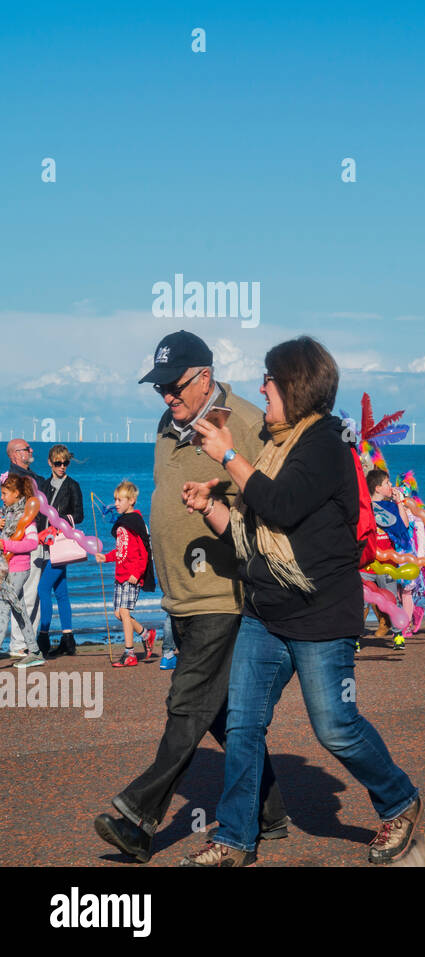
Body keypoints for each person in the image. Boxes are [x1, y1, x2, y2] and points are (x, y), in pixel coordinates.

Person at [179, 336, 420, 866]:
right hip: (266, 613)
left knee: (335, 726)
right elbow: (253, 529)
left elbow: (282, 506)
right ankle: (236, 837)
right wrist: (211, 509)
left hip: (320, 615)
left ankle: (398, 800)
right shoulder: (273, 446)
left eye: (269, 379)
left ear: (295, 385)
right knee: (243, 726)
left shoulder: (325, 447)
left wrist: (227, 454)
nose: (261, 387)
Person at [93, 329, 287, 865]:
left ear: (205, 377)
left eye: (174, 386)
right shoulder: (168, 421)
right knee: (219, 713)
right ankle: (269, 812)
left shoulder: (244, 423)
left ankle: (138, 817)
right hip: (182, 596)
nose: (166, 397)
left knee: (186, 706)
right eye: (158, 388)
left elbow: (272, 501)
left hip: (224, 596)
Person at [95, 481, 158, 667]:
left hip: (132, 576)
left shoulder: (135, 522)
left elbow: (144, 553)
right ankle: (146, 634)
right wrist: (105, 558)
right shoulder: (122, 523)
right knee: (118, 614)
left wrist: (137, 573)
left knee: (124, 611)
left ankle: (129, 653)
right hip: (120, 574)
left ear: (131, 500)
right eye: (115, 499)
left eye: (119, 499)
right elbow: (121, 550)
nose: (115, 503)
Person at [36, 444, 84, 657]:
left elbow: (79, 515)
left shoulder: (73, 485)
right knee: (61, 593)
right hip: (43, 546)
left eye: (65, 463)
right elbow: (39, 514)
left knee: (42, 590)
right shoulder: (44, 485)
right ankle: (68, 639)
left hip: (60, 545)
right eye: (58, 463)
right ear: (50, 463)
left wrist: (59, 525)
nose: (62, 466)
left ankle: (43, 637)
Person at [3, 438, 45, 659]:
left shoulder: (33, 479)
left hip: (29, 541)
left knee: (25, 595)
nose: (31, 451)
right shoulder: (11, 479)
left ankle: (22, 644)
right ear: (15, 454)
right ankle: (21, 645)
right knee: (21, 596)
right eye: (27, 449)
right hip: (16, 543)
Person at [366, 468, 416, 649]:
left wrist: (400, 503)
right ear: (378, 488)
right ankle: (353, 638)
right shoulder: (364, 507)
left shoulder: (392, 506)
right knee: (359, 602)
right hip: (366, 564)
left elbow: (403, 526)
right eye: (387, 483)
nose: (391, 486)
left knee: (390, 601)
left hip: (388, 564)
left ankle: (398, 634)